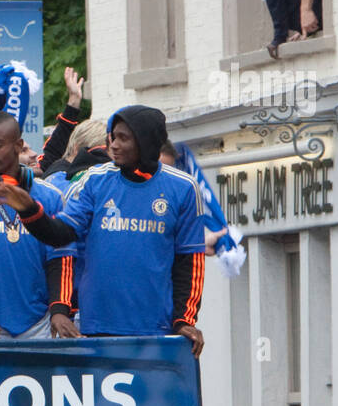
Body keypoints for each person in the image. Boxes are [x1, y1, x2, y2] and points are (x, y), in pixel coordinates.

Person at [14, 106, 208, 355]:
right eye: (112, 137)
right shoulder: (95, 180)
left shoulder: (183, 188)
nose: (113, 145)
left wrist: (184, 321)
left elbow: (190, 262)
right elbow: (61, 235)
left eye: (123, 138)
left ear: (145, 141)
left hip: (156, 330)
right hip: (96, 327)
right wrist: (30, 211)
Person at [0, 112, 69, 339]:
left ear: (18, 145)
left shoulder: (49, 196)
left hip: (42, 324)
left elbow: (61, 258)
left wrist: (59, 309)